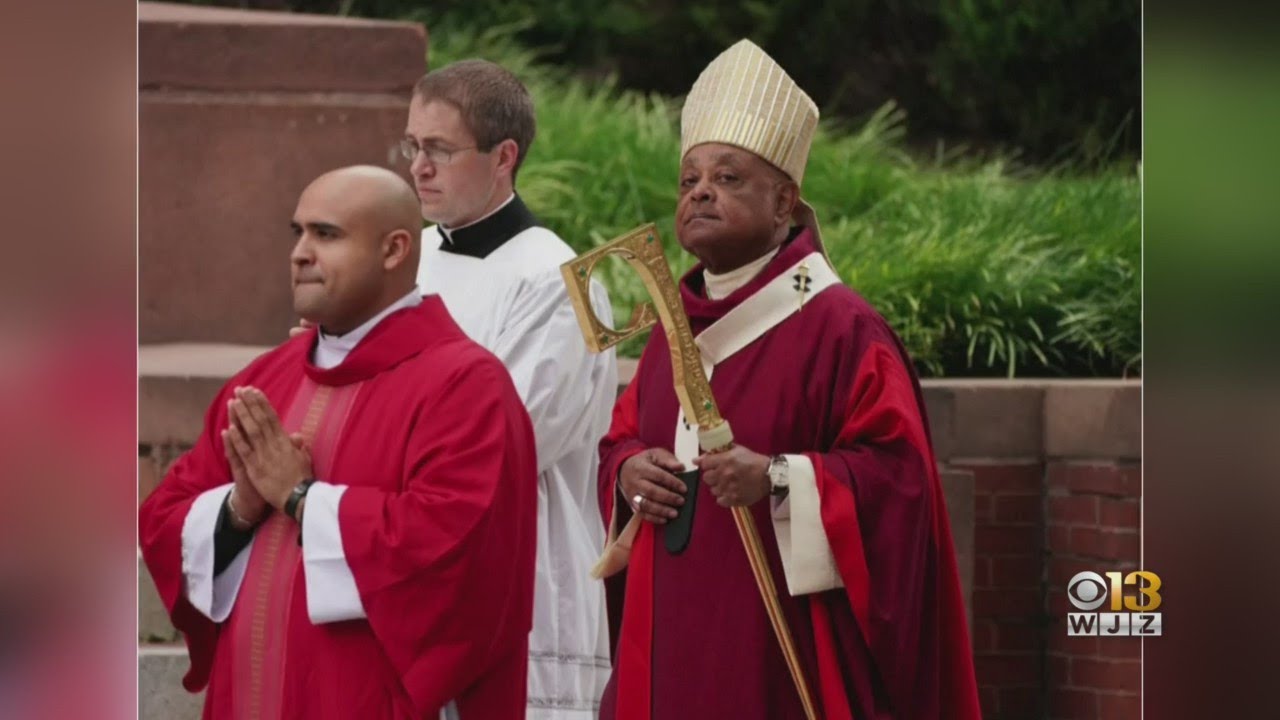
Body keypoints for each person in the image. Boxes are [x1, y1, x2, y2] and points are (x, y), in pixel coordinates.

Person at [595, 40, 982, 719]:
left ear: (785, 201)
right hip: (667, 630)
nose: (701, 192)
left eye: (729, 178)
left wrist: (777, 477)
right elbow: (622, 437)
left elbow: (900, 483)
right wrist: (629, 473)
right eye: (690, 182)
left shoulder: (841, 328)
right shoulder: (670, 327)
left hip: (777, 644)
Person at [139, 165, 538, 719]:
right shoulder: (263, 384)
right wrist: (240, 508)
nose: (300, 253)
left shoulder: (465, 387)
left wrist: (301, 497)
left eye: (325, 235)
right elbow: (162, 518)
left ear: (394, 250)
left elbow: (458, 552)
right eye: (297, 233)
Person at [404, 60, 617, 719]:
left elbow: (501, 442)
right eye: (411, 146)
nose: (418, 167)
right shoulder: (404, 257)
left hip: (522, 581)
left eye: (439, 150)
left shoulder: (560, 281)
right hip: (409, 572)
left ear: (504, 156)